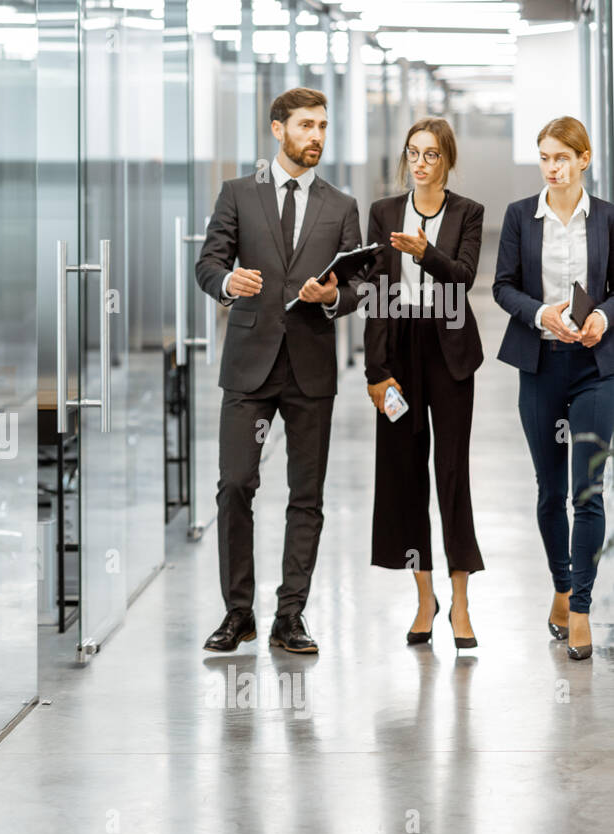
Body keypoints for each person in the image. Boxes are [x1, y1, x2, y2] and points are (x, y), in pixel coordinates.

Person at [195, 86, 364, 656]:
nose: (316, 136)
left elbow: (360, 283)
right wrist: (225, 283)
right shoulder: (240, 193)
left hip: (311, 366)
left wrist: (335, 295)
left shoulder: (341, 206)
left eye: (322, 126)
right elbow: (209, 262)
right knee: (235, 484)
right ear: (278, 129)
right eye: (306, 126)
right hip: (249, 363)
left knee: (306, 494)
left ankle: (290, 615)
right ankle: (237, 611)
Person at [493, 116, 614, 662]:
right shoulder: (521, 216)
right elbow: (502, 287)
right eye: (544, 157)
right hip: (540, 364)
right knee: (549, 491)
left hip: (594, 368)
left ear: (584, 159)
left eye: (562, 157)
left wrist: (604, 320)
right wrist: (541, 312)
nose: (552, 167)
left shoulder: (609, 218)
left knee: (586, 490)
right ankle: (562, 587)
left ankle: (583, 608)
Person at [363, 118, 485, 650]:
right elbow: (374, 293)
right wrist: (375, 370)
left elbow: (462, 276)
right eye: (413, 152)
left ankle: (460, 602)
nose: (420, 163)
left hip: (450, 348)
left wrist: (423, 252)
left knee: (451, 473)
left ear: (447, 160)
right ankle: (423, 596)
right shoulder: (383, 213)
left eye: (431, 154)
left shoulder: (468, 213)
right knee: (404, 473)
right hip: (399, 351)